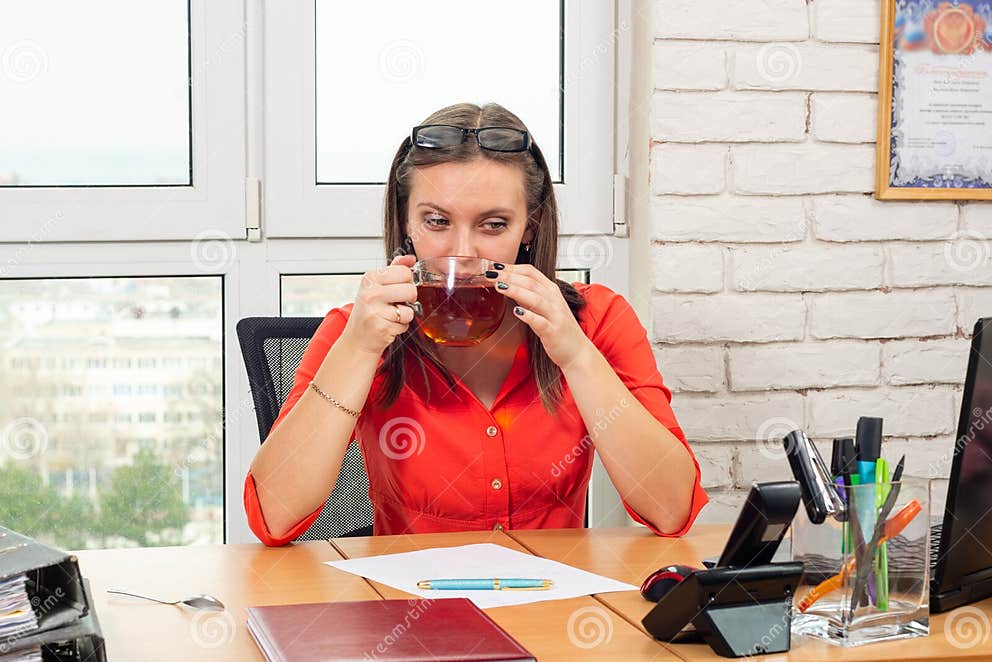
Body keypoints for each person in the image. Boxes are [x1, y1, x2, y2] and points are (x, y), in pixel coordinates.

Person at [244, 102, 707, 546]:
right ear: (407, 220)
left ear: (530, 225)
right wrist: (358, 351)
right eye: (437, 221)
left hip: (548, 610)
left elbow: (670, 510)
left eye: (493, 225)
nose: (462, 253)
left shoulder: (596, 320)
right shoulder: (357, 331)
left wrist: (577, 355)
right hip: (408, 610)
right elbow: (275, 517)